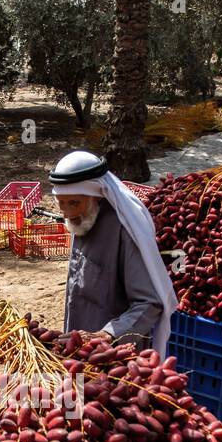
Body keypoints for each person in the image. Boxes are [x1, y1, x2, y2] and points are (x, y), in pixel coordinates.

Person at [49, 151, 178, 353]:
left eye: (73, 203)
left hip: (115, 351)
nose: (67, 212)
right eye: (61, 203)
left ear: (97, 196)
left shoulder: (124, 230)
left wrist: (108, 335)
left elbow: (149, 303)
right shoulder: (81, 220)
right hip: (80, 344)